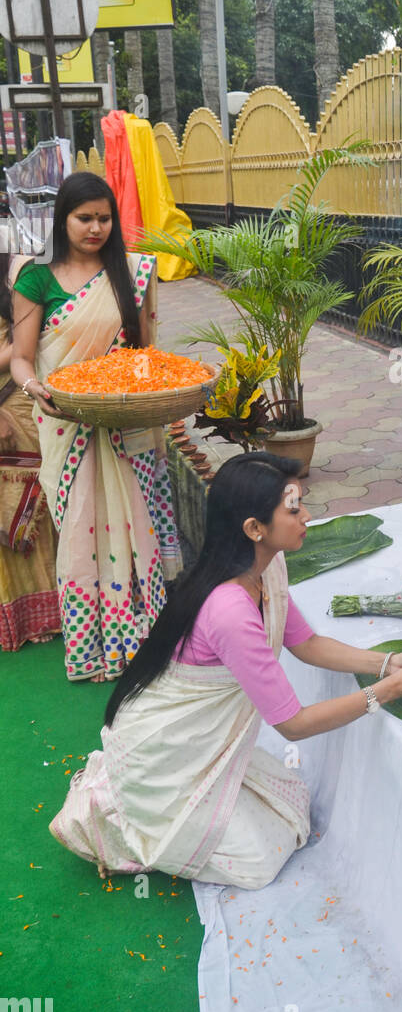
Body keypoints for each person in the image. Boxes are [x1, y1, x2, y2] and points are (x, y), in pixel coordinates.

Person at [49, 453, 402, 890]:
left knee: (292, 805)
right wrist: (393, 688)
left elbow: (307, 644)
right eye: (293, 510)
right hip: (167, 754)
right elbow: (293, 724)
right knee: (260, 861)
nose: (306, 516)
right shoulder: (229, 608)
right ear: (253, 529)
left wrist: (386, 662)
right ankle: (116, 823)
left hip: (203, 743)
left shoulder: (267, 567)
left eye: (302, 503)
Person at [10, 172, 182, 682]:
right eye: (85, 218)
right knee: (84, 527)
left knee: (137, 526)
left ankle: (146, 637)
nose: (96, 227)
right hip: (65, 423)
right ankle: (94, 647)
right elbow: (22, 359)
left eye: (105, 218)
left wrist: (151, 391)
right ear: (63, 219)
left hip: (127, 424)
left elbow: (143, 352)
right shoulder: (35, 277)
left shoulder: (131, 271)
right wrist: (33, 388)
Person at [0, 252, 61, 649]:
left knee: (42, 505)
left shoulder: (19, 271)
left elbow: (33, 341)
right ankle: (17, 617)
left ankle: (57, 609)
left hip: (25, 401)